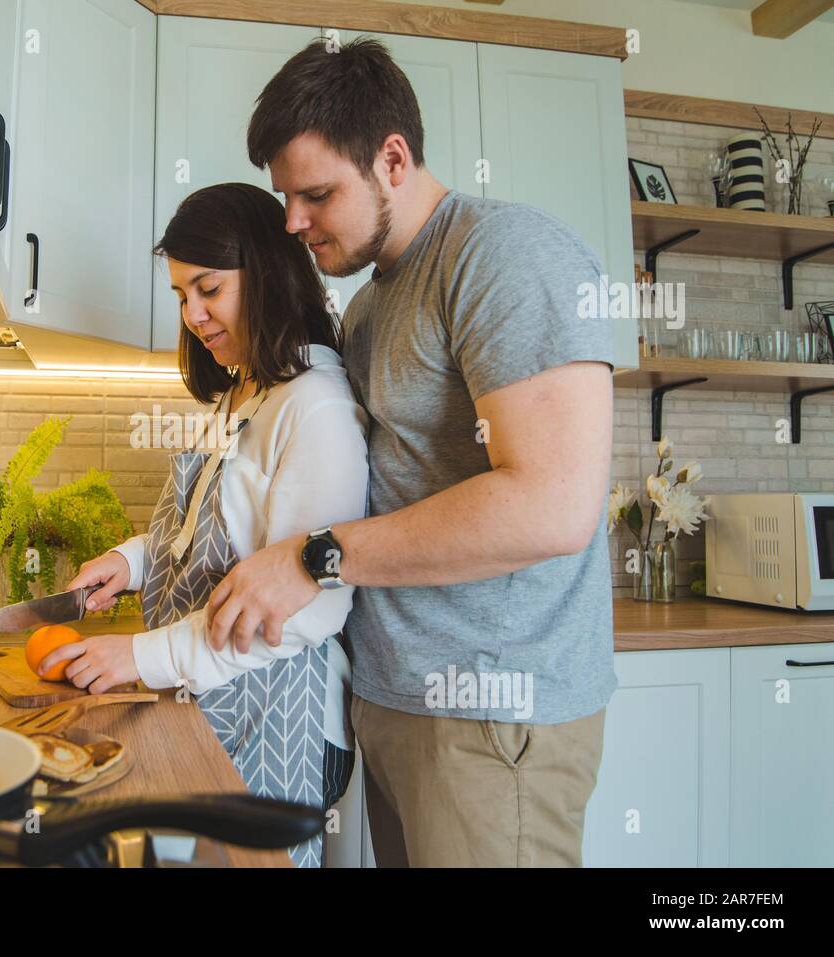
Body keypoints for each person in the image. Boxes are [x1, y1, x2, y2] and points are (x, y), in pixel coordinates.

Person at [203, 38, 617, 867]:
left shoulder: (504, 257)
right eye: (285, 196)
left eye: (315, 194)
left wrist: (314, 558)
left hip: (493, 717)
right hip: (393, 700)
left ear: (393, 159)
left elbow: (554, 504)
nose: (292, 221)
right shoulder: (368, 310)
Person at [38, 182, 368, 867]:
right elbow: (208, 529)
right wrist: (129, 562)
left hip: (279, 720)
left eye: (208, 289)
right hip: (214, 703)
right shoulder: (244, 392)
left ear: (268, 274)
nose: (192, 314)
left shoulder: (315, 406)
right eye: (181, 295)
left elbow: (310, 604)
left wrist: (141, 656)